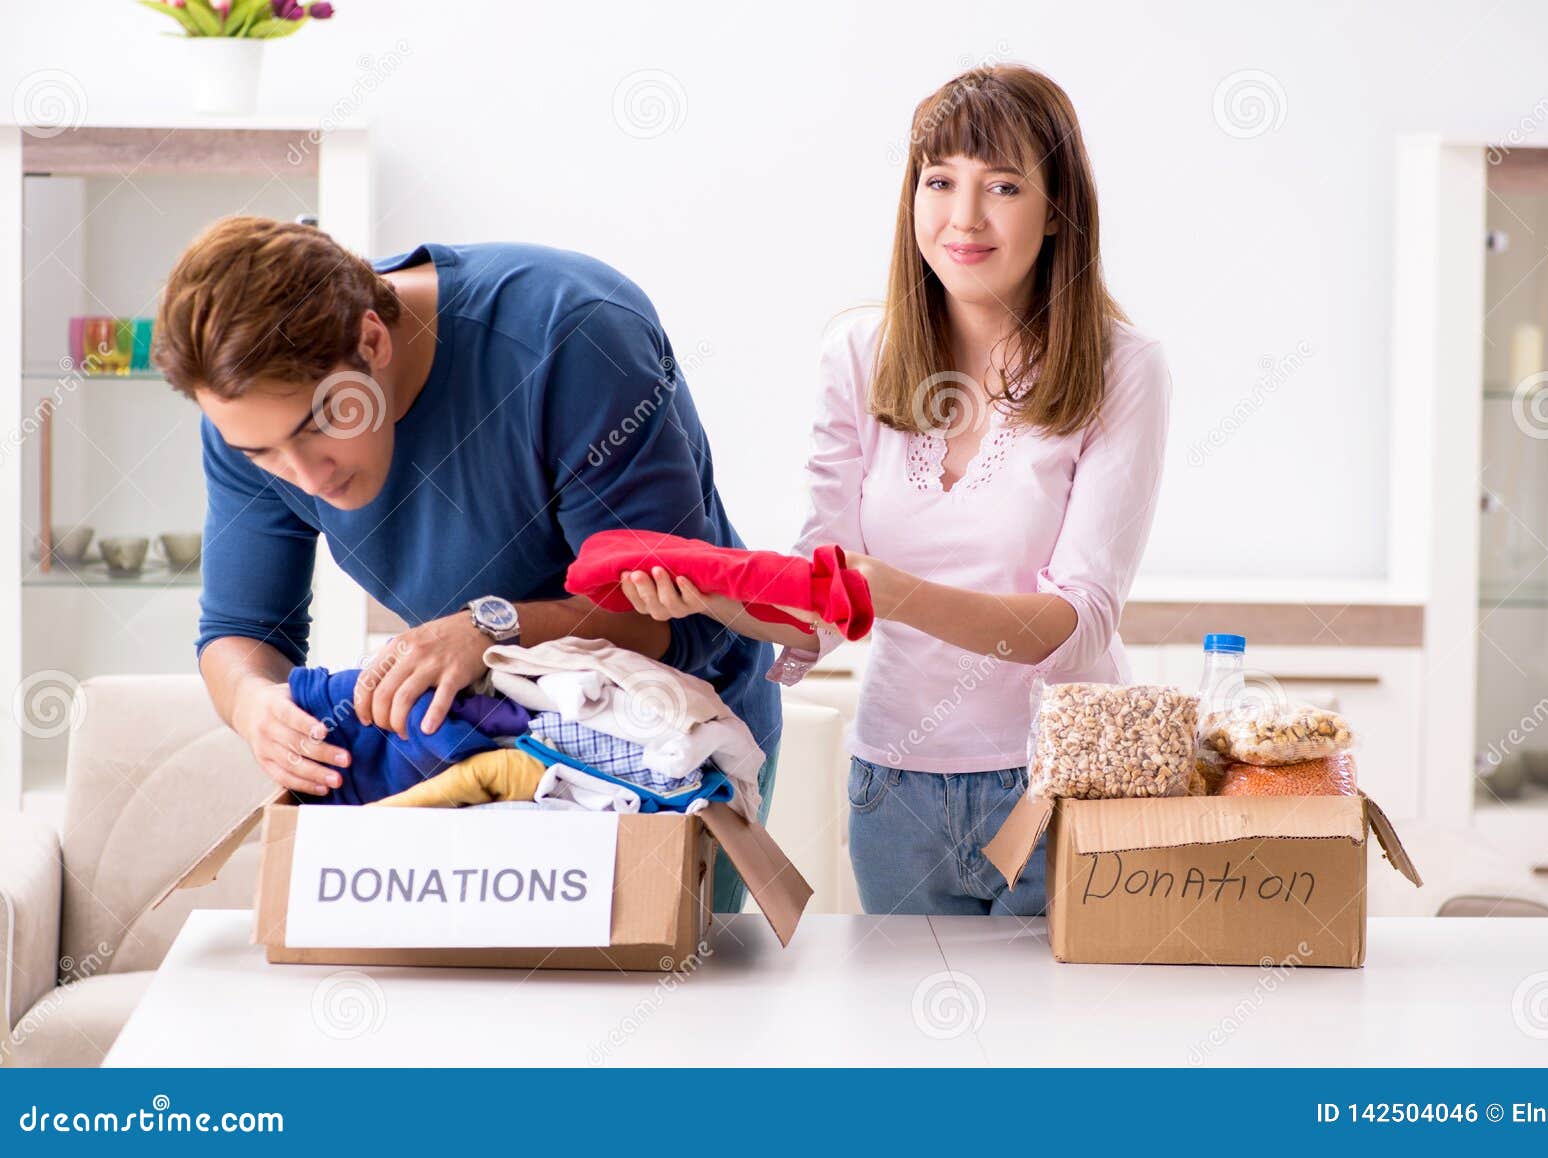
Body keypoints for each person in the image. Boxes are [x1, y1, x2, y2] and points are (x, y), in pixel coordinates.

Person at [616, 64, 1171, 915]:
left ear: (1057, 210)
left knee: (1061, 1044)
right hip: (896, 792)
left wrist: (894, 594)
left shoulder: (1123, 367)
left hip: (1062, 787)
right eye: (939, 180)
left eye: (1004, 185)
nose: (964, 216)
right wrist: (705, 594)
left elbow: (1078, 621)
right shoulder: (858, 353)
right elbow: (815, 598)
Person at [154, 218, 780, 911]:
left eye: (316, 427)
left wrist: (493, 628)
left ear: (371, 339)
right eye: (261, 453)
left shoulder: (571, 337)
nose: (301, 474)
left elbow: (672, 619)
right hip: (491, 744)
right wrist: (254, 705)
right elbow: (241, 631)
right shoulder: (252, 419)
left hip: (673, 735)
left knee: (664, 1005)